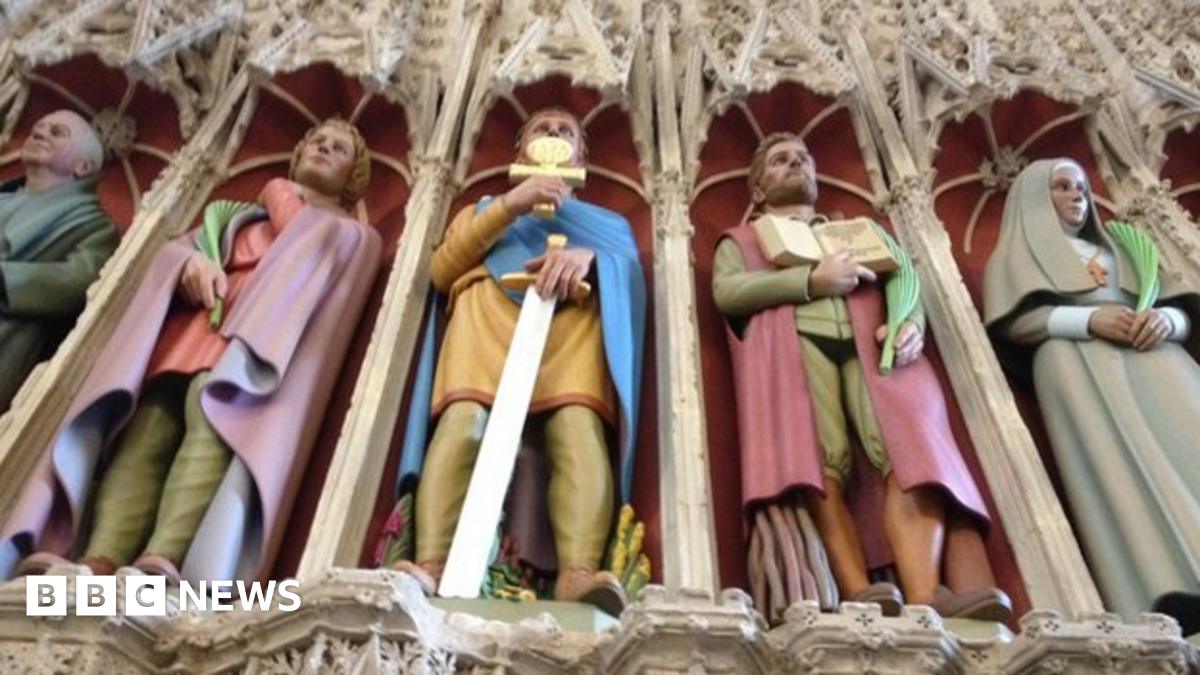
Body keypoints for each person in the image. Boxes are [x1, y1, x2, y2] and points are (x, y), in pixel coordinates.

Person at [1, 118, 381, 584]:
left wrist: (281, 192)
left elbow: (305, 248)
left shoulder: (351, 232)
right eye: (315, 142)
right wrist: (190, 263)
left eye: (337, 149)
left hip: (255, 349)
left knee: (212, 424)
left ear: (355, 175)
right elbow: (173, 252)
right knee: (147, 431)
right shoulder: (237, 216)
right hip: (196, 326)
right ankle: (101, 557)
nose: (322, 149)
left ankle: (164, 559)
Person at [713, 132, 1010, 622]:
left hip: (872, 347)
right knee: (819, 456)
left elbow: (903, 278)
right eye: (781, 161)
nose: (797, 165)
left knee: (905, 452)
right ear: (758, 190)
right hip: (794, 347)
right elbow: (729, 291)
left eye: (804, 158)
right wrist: (812, 281)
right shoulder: (742, 240)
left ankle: (926, 591)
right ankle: (854, 586)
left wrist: (909, 321)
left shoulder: (856, 232)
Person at [393, 107, 646, 614]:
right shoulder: (484, 208)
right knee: (464, 424)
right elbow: (443, 271)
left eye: (564, 130)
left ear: (582, 157)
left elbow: (631, 279)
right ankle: (435, 562)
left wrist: (590, 259)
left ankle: (577, 572)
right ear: (519, 150)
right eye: (541, 129)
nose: (553, 133)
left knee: (576, 431)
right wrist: (512, 205)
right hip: (484, 321)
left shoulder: (607, 224)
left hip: (571, 325)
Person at [983, 158, 1200, 635]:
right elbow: (1015, 323)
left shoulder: (1123, 250)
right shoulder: (1014, 259)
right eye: (1062, 187)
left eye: (1081, 186)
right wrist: (1087, 320)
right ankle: (1166, 591)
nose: (1076, 195)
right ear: (1035, 200)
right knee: (1124, 474)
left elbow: (1180, 309)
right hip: (1082, 371)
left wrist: (1169, 321)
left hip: (1157, 360)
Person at [0, 109, 117, 414]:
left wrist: (6, 280)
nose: (39, 133)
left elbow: (81, 281)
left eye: (58, 133)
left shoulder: (94, 225)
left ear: (83, 166)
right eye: (38, 127)